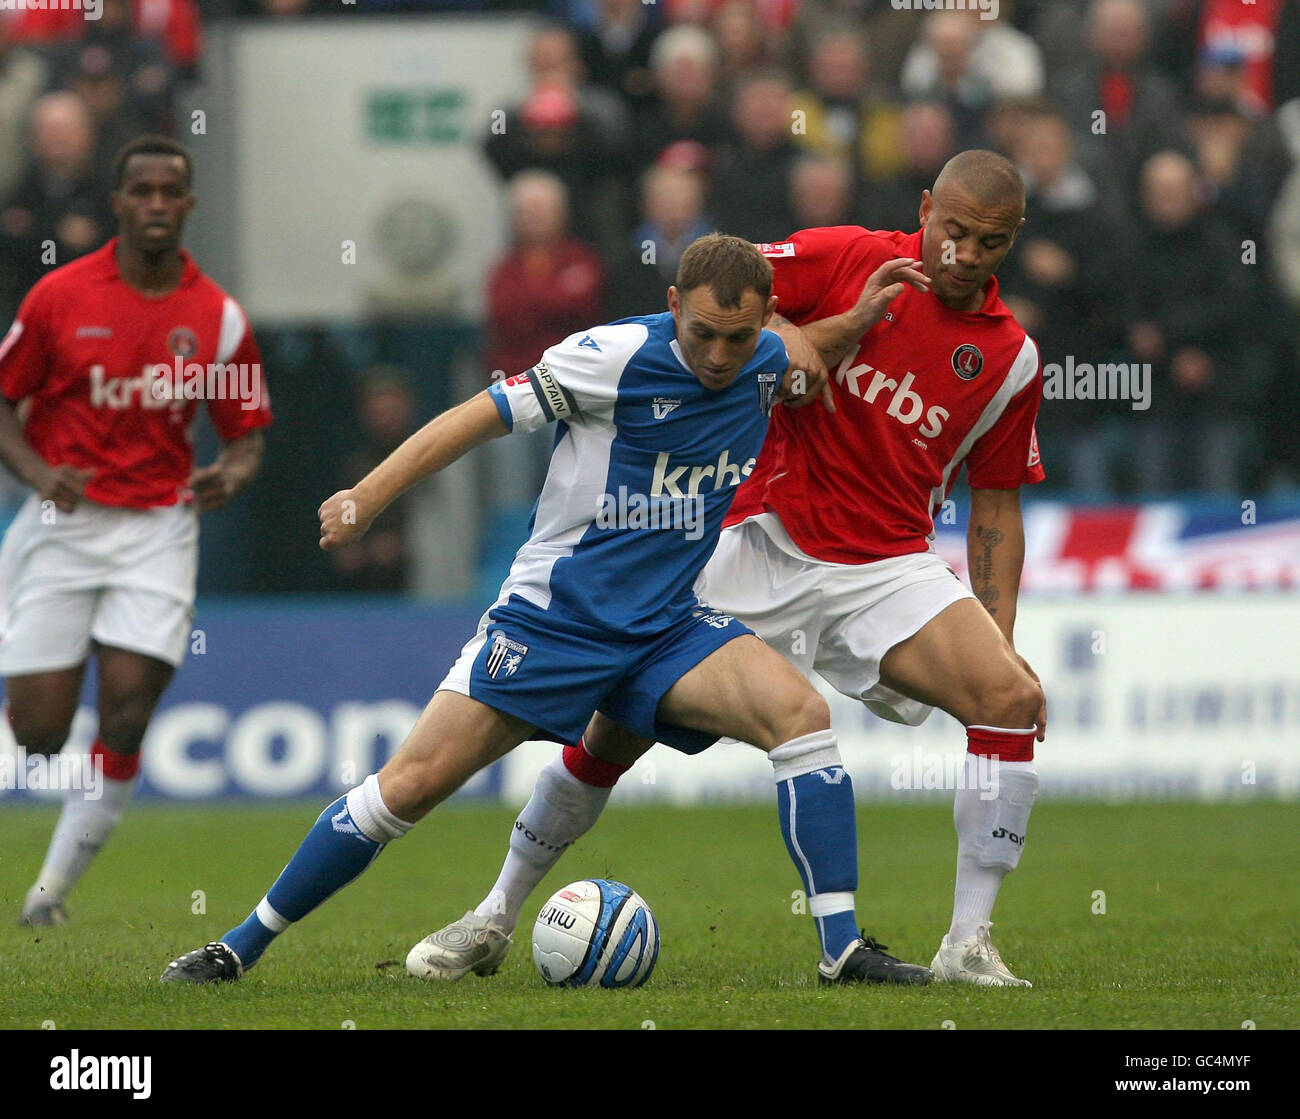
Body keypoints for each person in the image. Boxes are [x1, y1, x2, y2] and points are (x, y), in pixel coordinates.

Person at [160, 234, 934, 987]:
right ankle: (240, 943)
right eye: (702, 333)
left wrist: (851, 324)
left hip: (666, 624)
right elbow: (472, 417)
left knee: (799, 714)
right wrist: (369, 495)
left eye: (739, 337)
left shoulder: (764, 356)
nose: (719, 356)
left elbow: (801, 355)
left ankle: (843, 951)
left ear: (767, 318)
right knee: (410, 786)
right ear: (672, 305)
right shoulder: (609, 358)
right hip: (553, 622)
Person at [421, 150, 1049, 988]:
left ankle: (967, 942)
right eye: (955, 231)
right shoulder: (848, 257)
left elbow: (997, 509)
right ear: (926, 208)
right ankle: (493, 913)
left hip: (886, 565)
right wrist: (790, 333)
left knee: (1011, 699)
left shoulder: (1010, 360)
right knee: (613, 732)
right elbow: (732, 292)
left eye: (991, 243)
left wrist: (1001, 639)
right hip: (754, 535)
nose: (965, 255)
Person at [0, 135, 271, 926]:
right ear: (117, 203)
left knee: (125, 710)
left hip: (158, 525)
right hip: (62, 520)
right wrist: (38, 471)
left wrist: (235, 471)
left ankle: (48, 895)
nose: (156, 203)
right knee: (42, 734)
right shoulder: (57, 298)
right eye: (141, 190)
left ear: (187, 205)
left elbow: (247, 431)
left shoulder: (218, 319)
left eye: (170, 192)